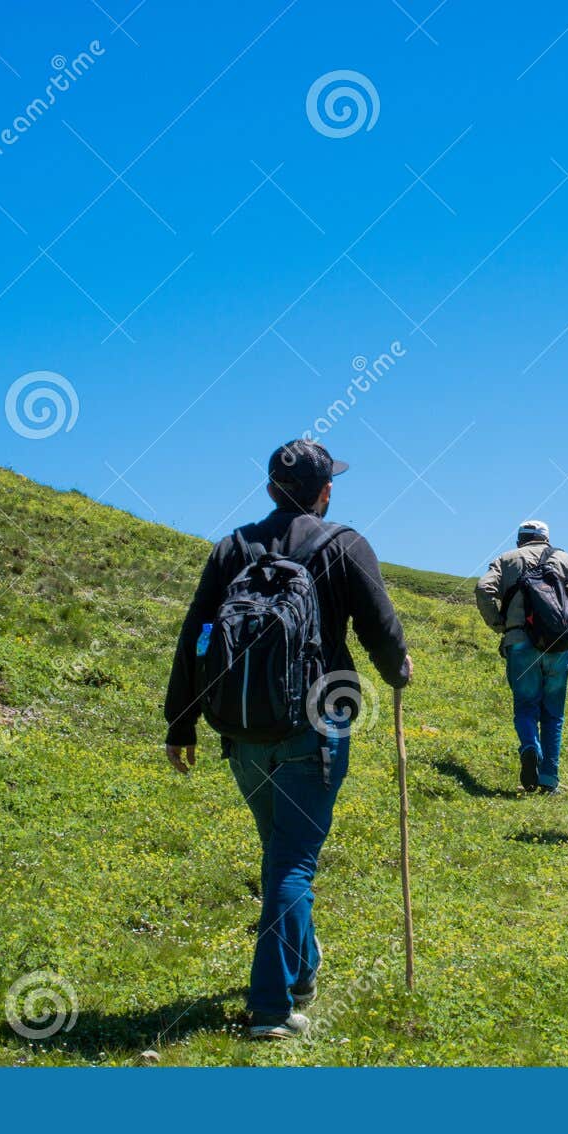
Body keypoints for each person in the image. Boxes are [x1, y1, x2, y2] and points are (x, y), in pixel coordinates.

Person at [163, 440, 413, 1038]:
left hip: (242, 727)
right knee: (293, 863)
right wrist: (397, 668)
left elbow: (197, 632)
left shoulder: (233, 548)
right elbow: (380, 627)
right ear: (325, 491)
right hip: (316, 726)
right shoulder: (345, 544)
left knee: (281, 854)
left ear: (272, 488)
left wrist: (181, 721)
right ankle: (271, 1009)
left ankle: (301, 970)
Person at [475, 520, 568, 793]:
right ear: (546, 539)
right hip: (557, 646)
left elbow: (482, 589)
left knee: (526, 706)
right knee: (553, 714)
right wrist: (566, 627)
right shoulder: (565, 560)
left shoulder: (506, 559)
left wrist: (499, 624)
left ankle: (530, 747)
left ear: (520, 540)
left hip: (519, 643)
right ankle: (549, 779)